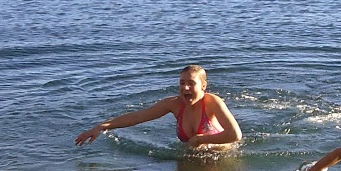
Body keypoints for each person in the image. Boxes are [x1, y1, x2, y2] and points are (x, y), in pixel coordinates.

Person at [76, 65, 243, 148]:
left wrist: (200, 139)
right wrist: (102, 126)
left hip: (220, 159)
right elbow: (138, 117)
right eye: (182, 83)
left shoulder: (212, 102)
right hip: (189, 158)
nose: (185, 88)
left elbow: (235, 135)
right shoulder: (174, 104)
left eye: (191, 83)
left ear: (204, 86)